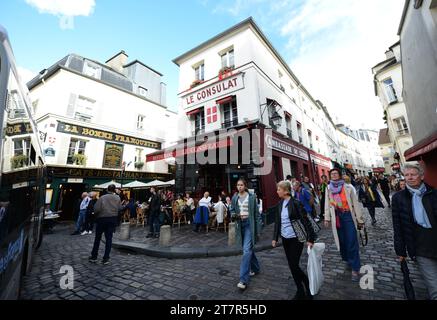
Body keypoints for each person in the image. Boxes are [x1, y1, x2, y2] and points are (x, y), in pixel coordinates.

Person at [392, 164, 437, 300]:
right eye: (407, 175)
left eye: (413, 174)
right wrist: (400, 250)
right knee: (434, 286)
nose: (410, 177)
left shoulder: (433, 193)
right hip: (419, 247)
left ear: (422, 176)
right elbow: (398, 225)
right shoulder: (398, 198)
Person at [272, 180, 316, 300]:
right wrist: (275, 238)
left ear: (286, 191)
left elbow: (306, 221)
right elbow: (277, 222)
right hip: (285, 238)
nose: (277, 191)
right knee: (292, 266)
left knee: (294, 265)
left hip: (296, 238)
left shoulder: (296, 203)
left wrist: (310, 239)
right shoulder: (280, 204)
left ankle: (307, 285)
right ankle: (300, 291)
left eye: (279, 189)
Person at [324, 168, 364, 282]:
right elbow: (327, 203)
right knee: (342, 240)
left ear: (340, 175)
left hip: (347, 216)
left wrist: (359, 219)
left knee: (351, 240)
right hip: (337, 217)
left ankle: (355, 268)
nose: (334, 175)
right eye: (332, 174)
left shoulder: (348, 187)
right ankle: (347, 258)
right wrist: (327, 217)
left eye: (336, 173)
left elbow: (355, 204)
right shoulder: (328, 188)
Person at [230, 178, 261, 291]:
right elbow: (232, 210)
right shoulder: (235, 197)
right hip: (240, 225)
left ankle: (243, 279)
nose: (239, 187)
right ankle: (256, 268)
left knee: (246, 250)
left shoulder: (251, 197)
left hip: (249, 225)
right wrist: (234, 214)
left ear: (245, 186)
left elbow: (257, 215)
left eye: (241, 185)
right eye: (238, 185)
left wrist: (258, 230)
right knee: (247, 249)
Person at [89, 184, 123, 265]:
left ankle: (94, 256)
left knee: (97, 238)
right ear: (114, 190)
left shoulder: (102, 197)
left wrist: (97, 216)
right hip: (112, 219)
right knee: (109, 239)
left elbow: (96, 209)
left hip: (102, 219)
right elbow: (120, 208)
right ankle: (106, 258)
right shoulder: (117, 198)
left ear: (107, 190)